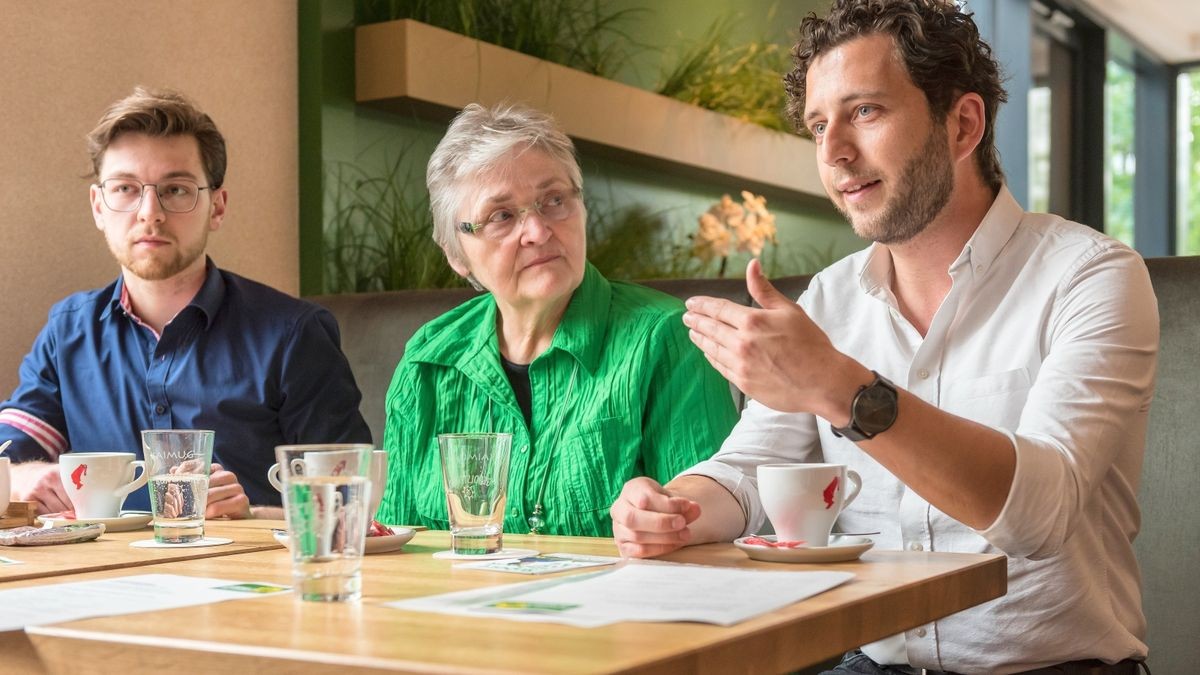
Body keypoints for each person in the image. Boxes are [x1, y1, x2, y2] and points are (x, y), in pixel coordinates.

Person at [610, 1, 1157, 673]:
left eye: (865, 111)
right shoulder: (830, 301)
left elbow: (1036, 513)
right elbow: (749, 475)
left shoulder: (1092, 277)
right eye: (818, 125)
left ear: (962, 123)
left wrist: (842, 388)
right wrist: (674, 506)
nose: (836, 152)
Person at [1, 87, 371, 518]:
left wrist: (253, 512)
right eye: (125, 188)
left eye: (176, 190)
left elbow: (352, 502)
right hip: (106, 578)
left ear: (217, 206)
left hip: (250, 578)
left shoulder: (294, 334)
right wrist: (24, 475)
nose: (149, 212)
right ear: (99, 207)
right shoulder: (68, 332)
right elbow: (12, 446)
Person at [375, 103, 739, 537]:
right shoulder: (428, 360)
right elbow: (393, 541)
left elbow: (707, 534)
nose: (538, 231)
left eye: (554, 201)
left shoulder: (664, 338)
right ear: (456, 253)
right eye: (502, 216)